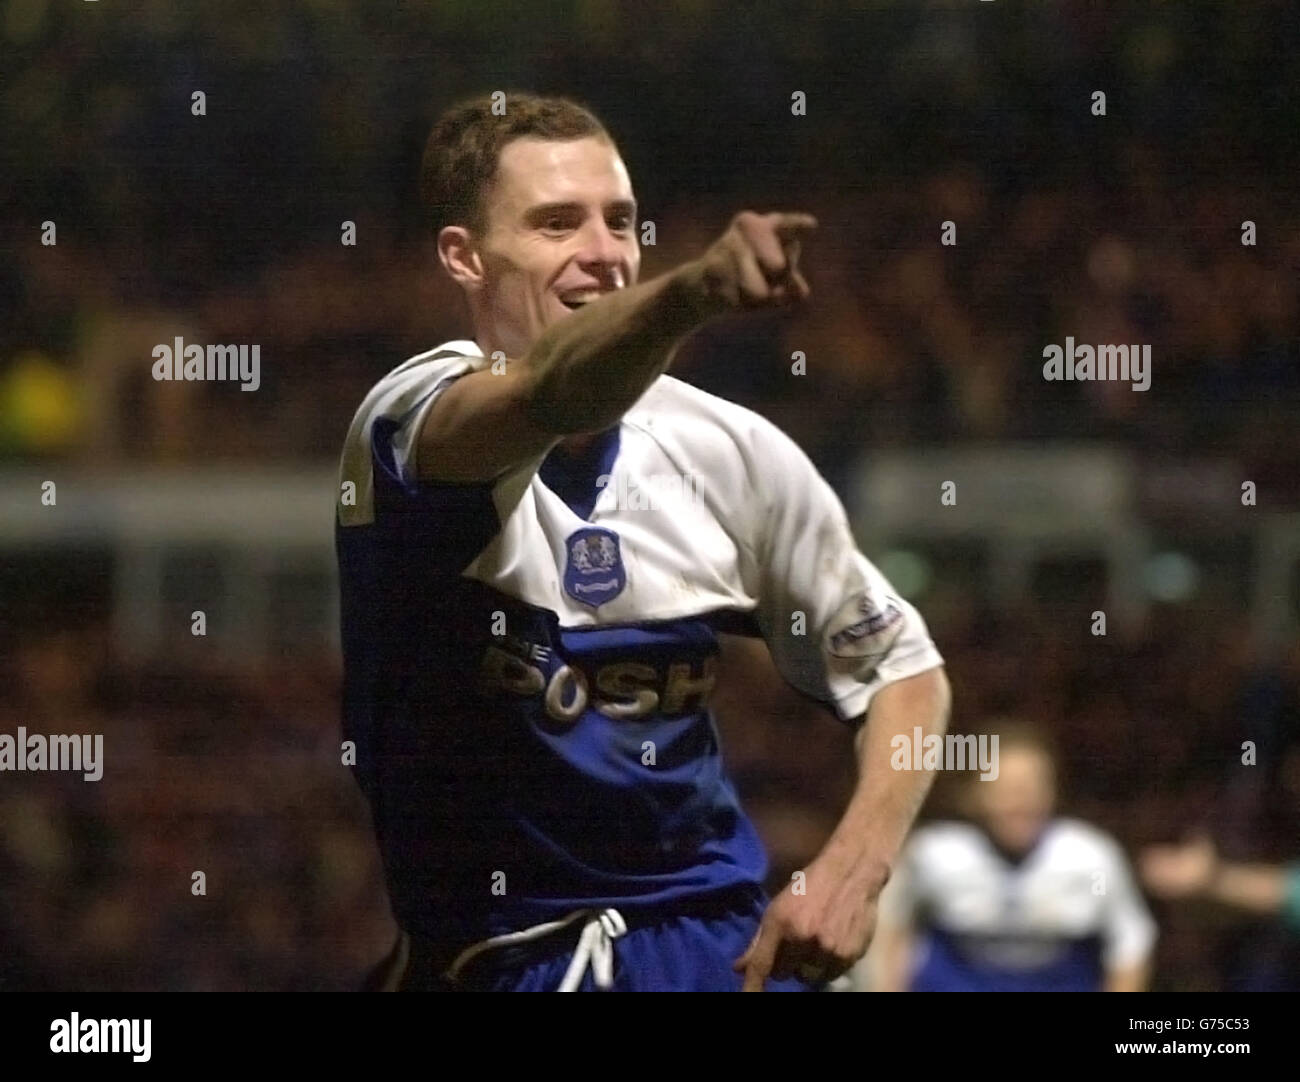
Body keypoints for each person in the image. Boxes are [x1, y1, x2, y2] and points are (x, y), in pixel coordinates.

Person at [335, 92, 950, 992]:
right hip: (504, 955)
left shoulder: (729, 451)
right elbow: (555, 392)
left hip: (720, 950)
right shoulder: (410, 419)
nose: (604, 252)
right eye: (556, 223)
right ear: (464, 257)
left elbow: (903, 669)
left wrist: (854, 871)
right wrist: (695, 294)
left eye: (619, 220)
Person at [862, 724, 1155, 991]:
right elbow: (891, 927)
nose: (1019, 802)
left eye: (1030, 787)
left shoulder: (1092, 862)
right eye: (1005, 789)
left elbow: (1129, 941)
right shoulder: (934, 857)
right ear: (977, 794)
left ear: (1052, 791)